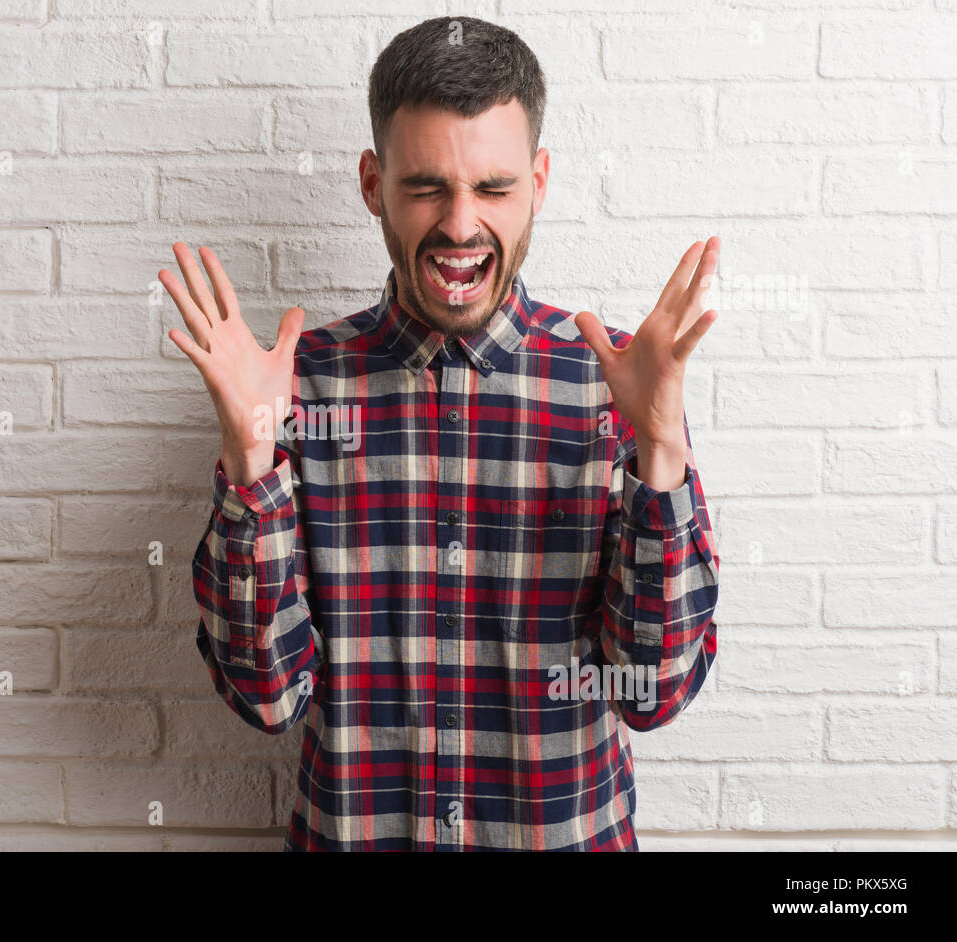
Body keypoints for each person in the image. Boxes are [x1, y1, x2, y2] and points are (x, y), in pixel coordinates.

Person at [159, 15, 721, 851]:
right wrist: (252, 459)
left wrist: (661, 453)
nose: (461, 225)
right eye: (426, 187)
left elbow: (653, 694)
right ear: (371, 182)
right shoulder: (295, 386)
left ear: (538, 182)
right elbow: (267, 698)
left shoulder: (617, 386)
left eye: (493, 188)